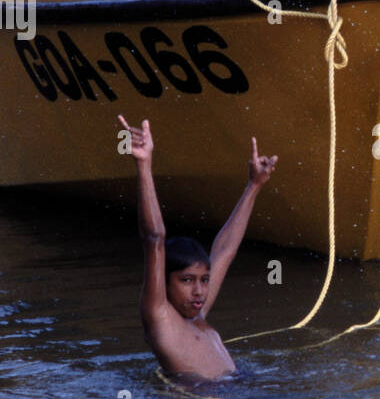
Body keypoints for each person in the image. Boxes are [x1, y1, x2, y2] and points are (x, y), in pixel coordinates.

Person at [117, 114, 277, 380]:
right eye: (187, 280)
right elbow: (154, 238)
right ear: (163, 283)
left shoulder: (197, 313)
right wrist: (144, 165)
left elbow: (225, 251)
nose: (200, 290)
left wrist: (254, 186)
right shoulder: (160, 317)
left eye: (204, 280)